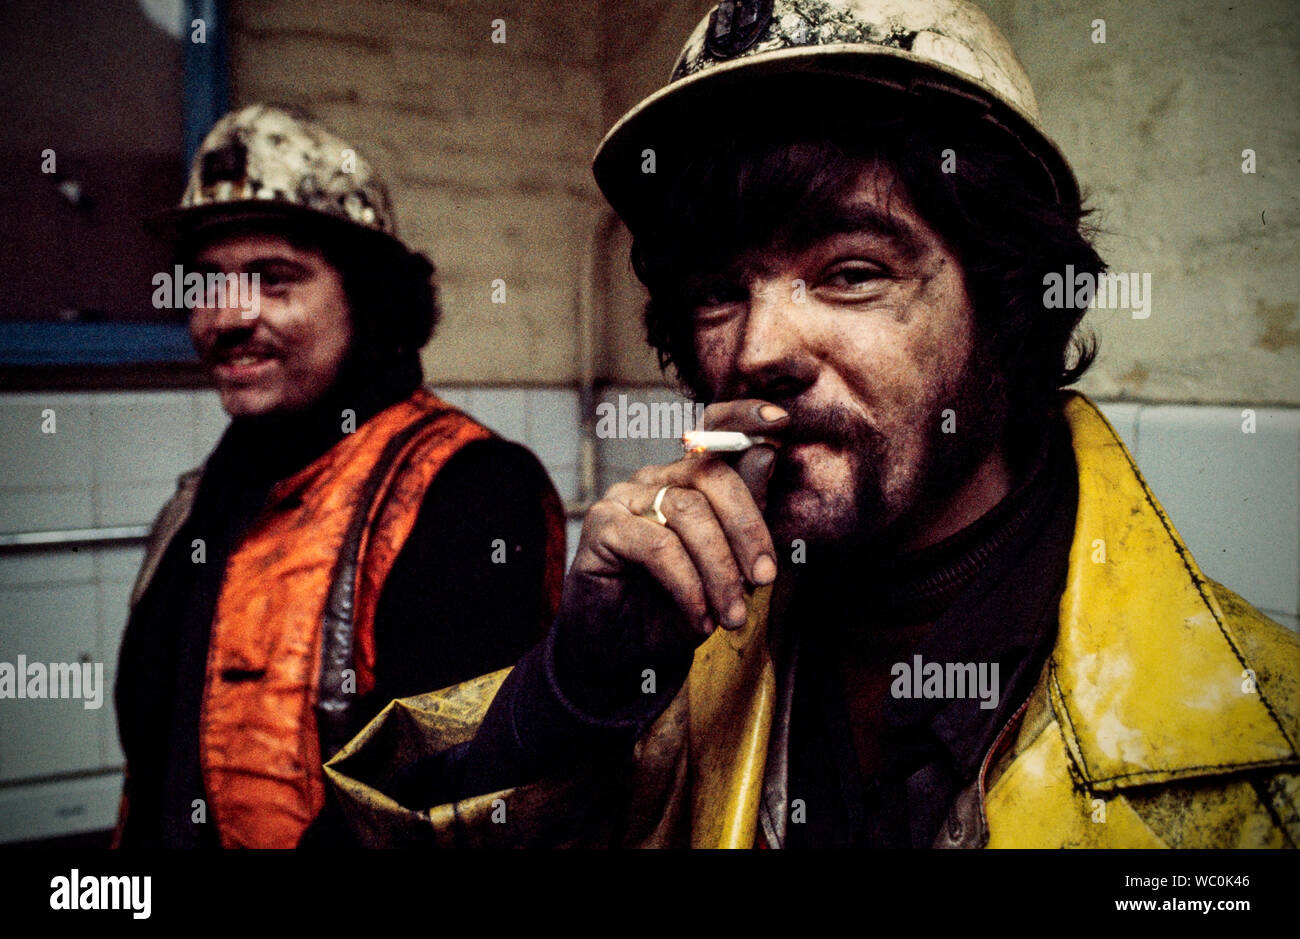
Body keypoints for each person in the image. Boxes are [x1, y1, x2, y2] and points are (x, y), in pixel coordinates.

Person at [326, 1, 1299, 848]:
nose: (758, 349)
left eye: (851, 273)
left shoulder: (1261, 745)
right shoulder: (660, 674)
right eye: (715, 292)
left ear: (1007, 308)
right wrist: (572, 689)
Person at [113, 105, 566, 848]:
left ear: (369, 297)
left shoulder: (472, 490)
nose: (224, 317)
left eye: (273, 278)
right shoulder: (208, 494)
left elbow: (441, 809)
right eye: (206, 282)